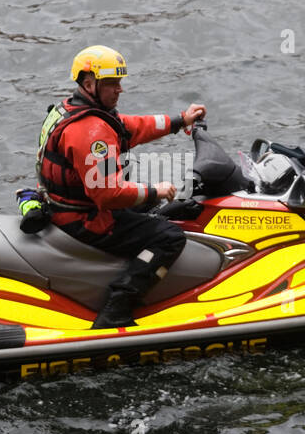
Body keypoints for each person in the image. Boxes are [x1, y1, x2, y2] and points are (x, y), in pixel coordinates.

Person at [36, 45, 206, 328]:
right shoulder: (92, 133)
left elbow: (131, 127)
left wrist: (179, 121)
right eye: (113, 83)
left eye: (120, 81)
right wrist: (156, 190)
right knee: (170, 236)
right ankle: (118, 305)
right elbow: (107, 194)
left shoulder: (72, 110)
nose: (119, 89)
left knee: (150, 209)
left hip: (61, 206)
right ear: (90, 84)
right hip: (85, 220)